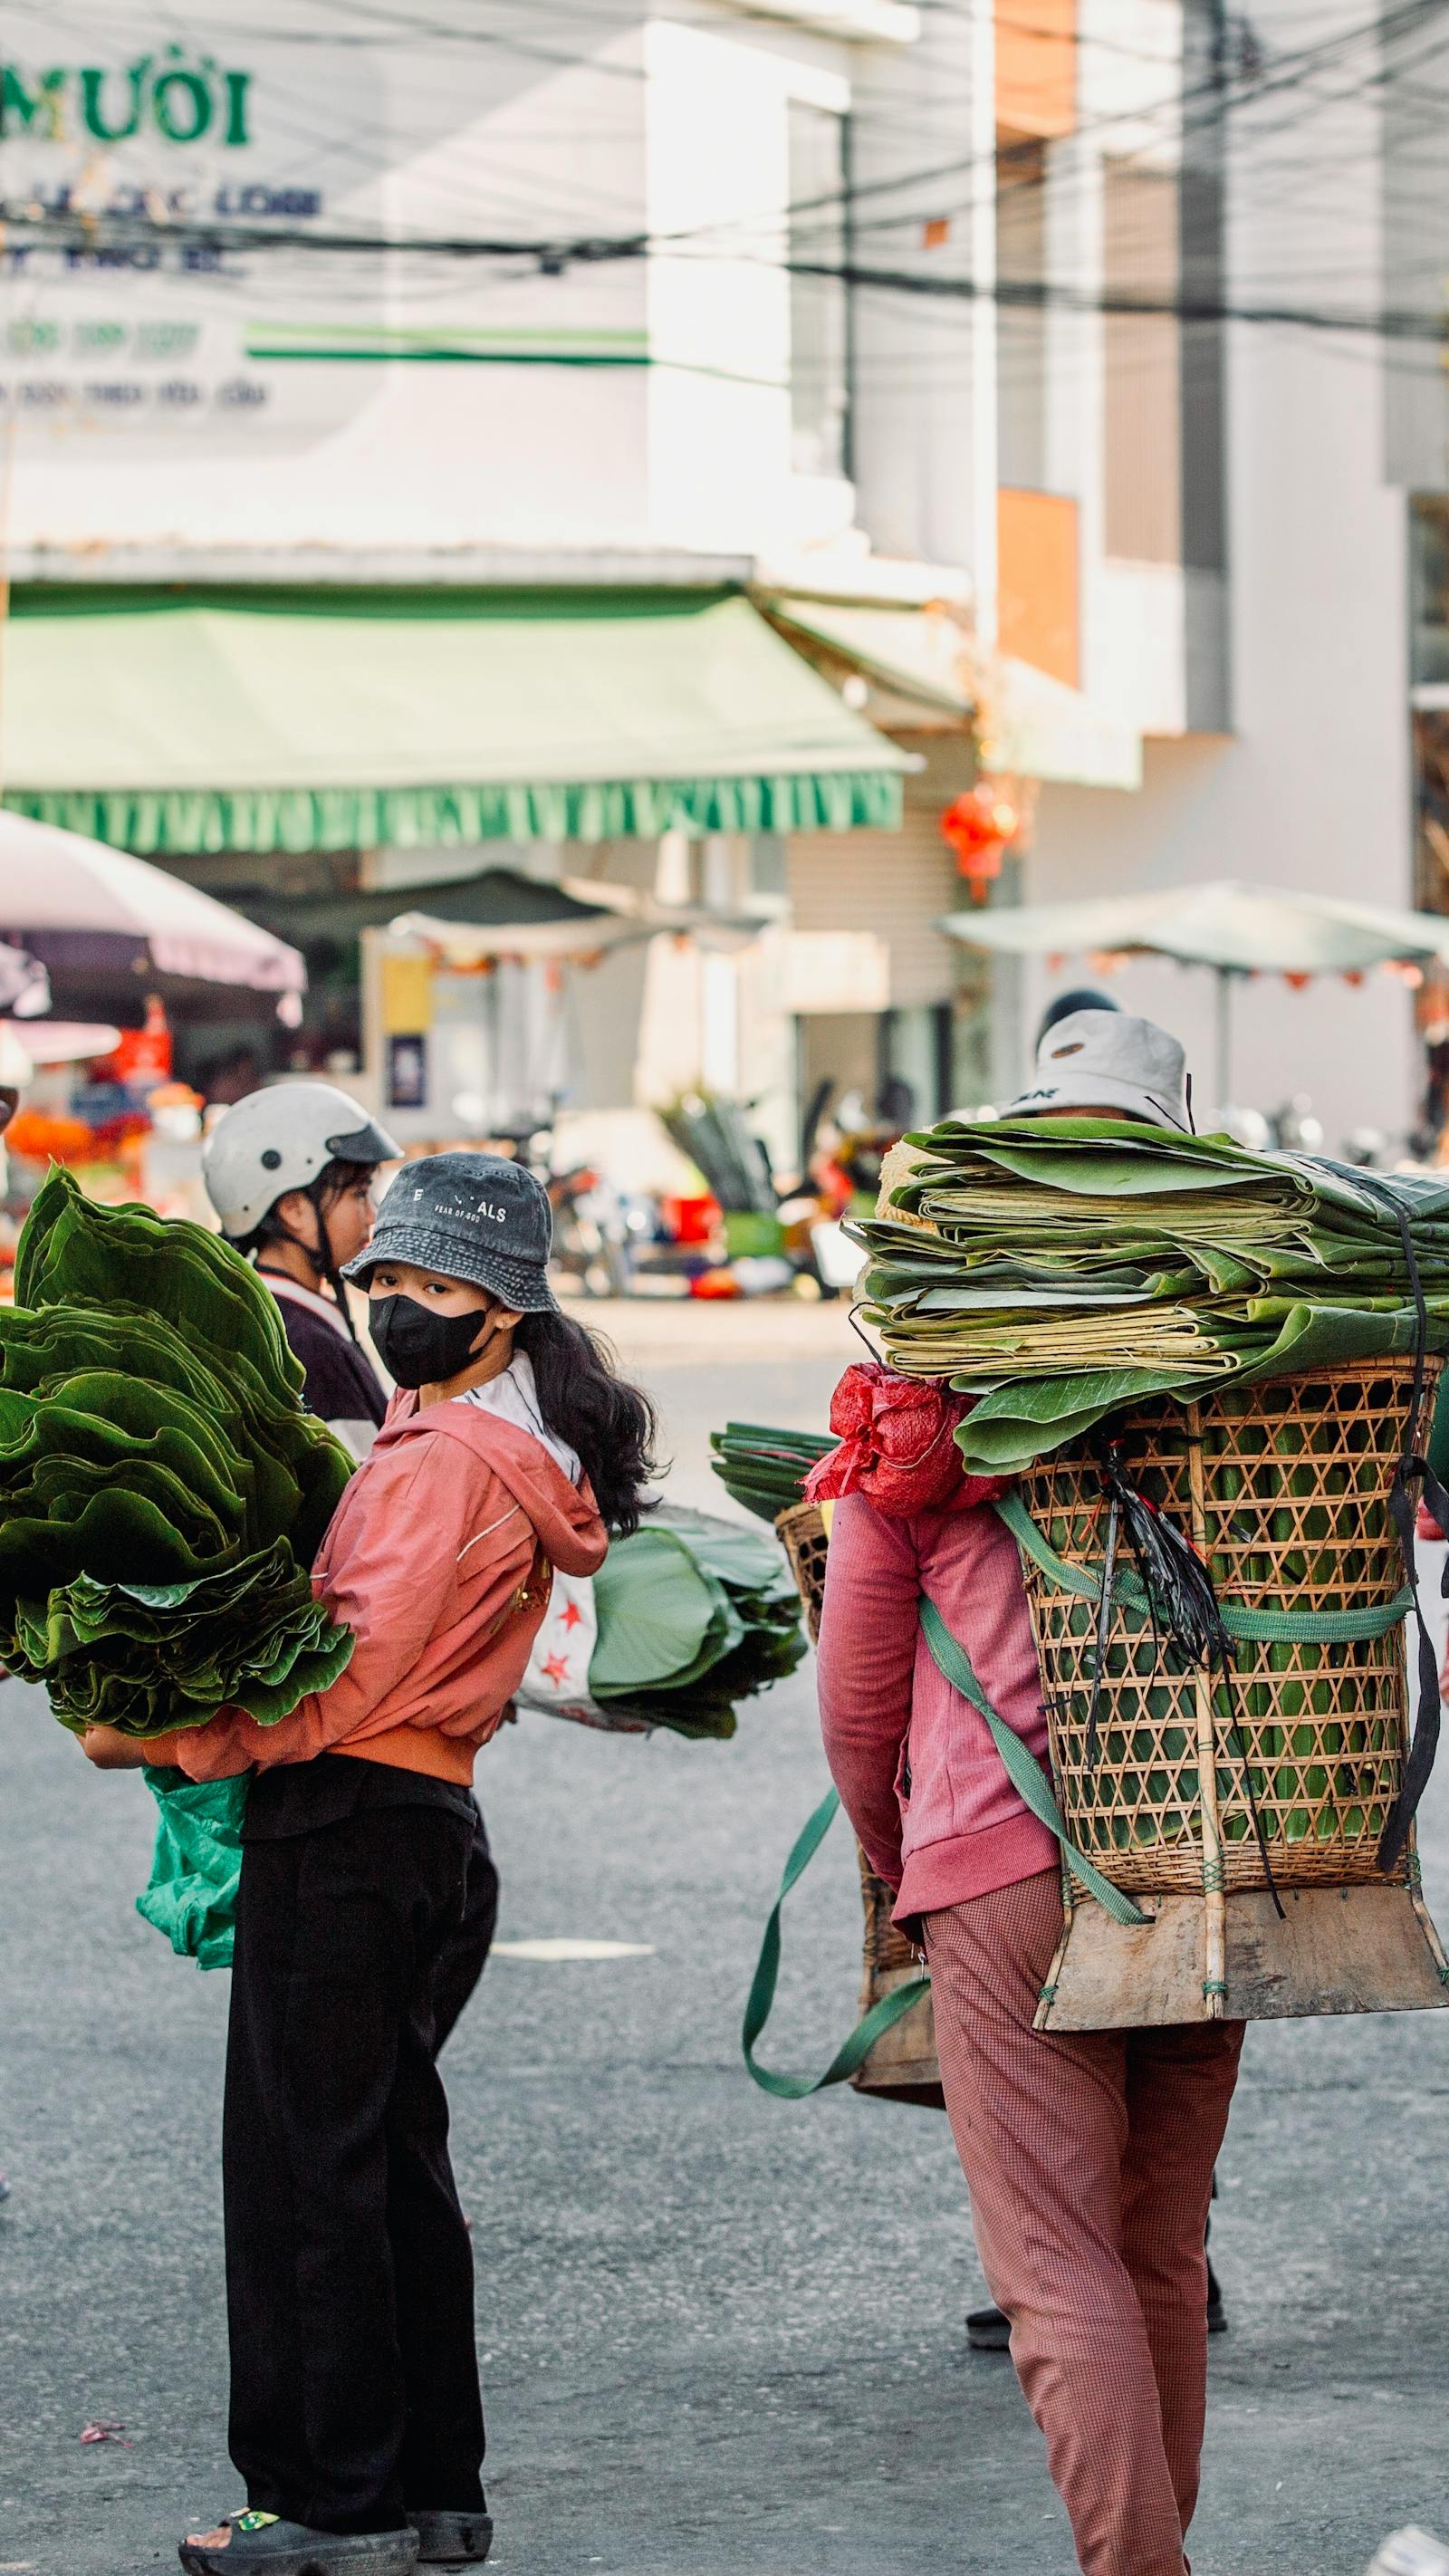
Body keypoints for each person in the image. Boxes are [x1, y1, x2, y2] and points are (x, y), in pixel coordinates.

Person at [82, 1153, 659, 2576]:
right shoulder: (502, 1455)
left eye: (436, 1287)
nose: (401, 1306)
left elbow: (336, 1679)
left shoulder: (441, 1463)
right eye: (386, 1279)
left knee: (301, 2175)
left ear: (506, 1311)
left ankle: (329, 2505)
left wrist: (160, 1736)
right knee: (390, 2162)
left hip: (344, 1826)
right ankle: (429, 2489)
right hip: (426, 1834)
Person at [816, 1011, 1243, 2576]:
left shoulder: (940, 1368)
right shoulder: (1248, 1352)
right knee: (1156, 2243)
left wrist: (901, 1861)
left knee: (1056, 2260)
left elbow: (862, 1685)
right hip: (1216, 1842)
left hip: (1007, 1861)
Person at [204, 1085, 501, 2050]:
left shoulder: (284, 1322)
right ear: (291, 1209)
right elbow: (359, 1550)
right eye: (356, 1189)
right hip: (346, 1728)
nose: (374, 1214)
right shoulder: (301, 1344)